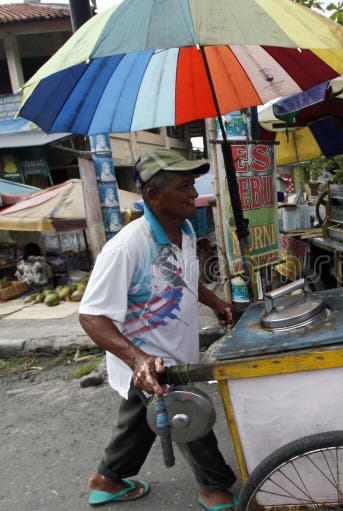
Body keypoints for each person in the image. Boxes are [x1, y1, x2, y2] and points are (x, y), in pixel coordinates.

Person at [79, 148, 238, 510]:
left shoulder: (184, 231)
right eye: (184, 186)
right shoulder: (126, 248)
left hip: (170, 352)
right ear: (154, 195)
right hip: (148, 360)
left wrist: (216, 303)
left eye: (193, 184)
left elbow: (184, 278)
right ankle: (215, 486)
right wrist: (139, 360)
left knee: (139, 421)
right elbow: (91, 316)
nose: (194, 194)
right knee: (189, 418)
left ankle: (108, 478)